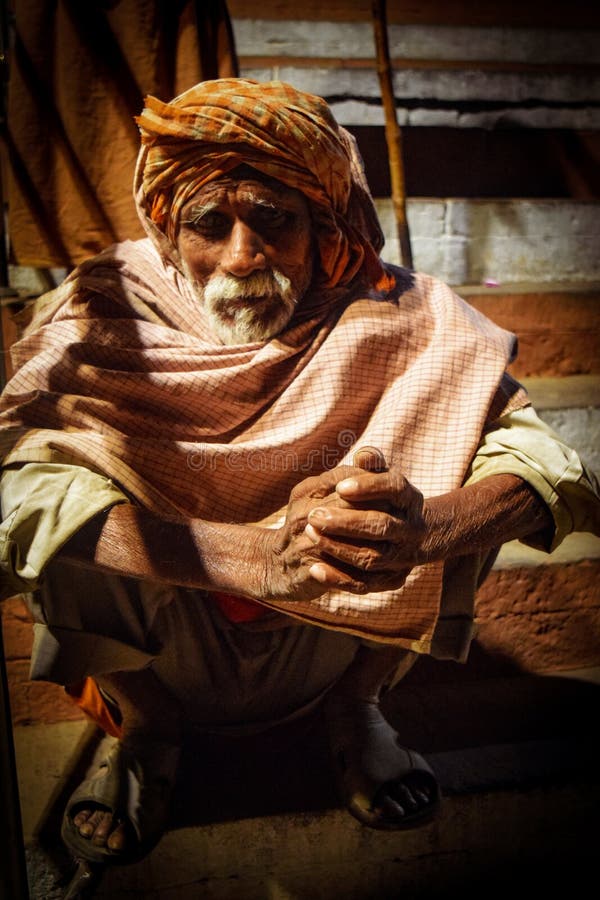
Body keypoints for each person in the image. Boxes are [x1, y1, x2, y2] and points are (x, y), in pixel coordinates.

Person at [1, 78, 598, 866]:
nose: (245, 256)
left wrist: (426, 531)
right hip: (168, 644)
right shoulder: (106, 306)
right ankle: (145, 729)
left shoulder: (401, 308)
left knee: (479, 482)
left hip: (338, 636)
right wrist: (249, 557)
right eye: (211, 224)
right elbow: (16, 489)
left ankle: (358, 710)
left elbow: (552, 467)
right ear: (169, 232)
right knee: (64, 495)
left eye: (274, 220)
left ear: (322, 224)